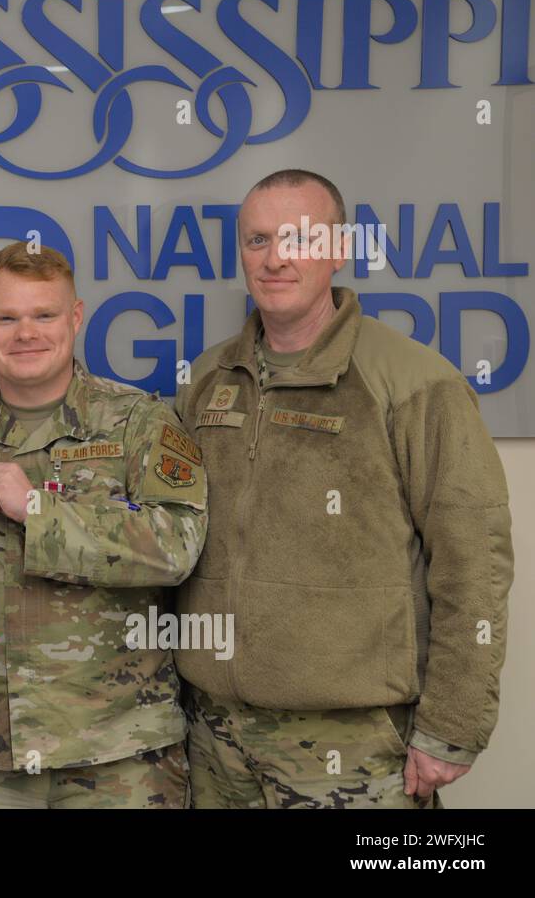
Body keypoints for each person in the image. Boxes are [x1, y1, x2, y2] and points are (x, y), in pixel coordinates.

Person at [174, 168, 515, 808]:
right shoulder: (206, 379)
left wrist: (453, 726)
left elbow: (474, 561)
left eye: (298, 240)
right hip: (214, 737)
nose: (275, 259)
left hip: (355, 746)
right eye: (257, 241)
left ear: (337, 249)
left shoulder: (412, 382)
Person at [0, 242, 208, 808]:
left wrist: (38, 510)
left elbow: (178, 546)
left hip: (119, 753)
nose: (25, 333)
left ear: (76, 317)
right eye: (7, 317)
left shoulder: (140, 422)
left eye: (44, 315)